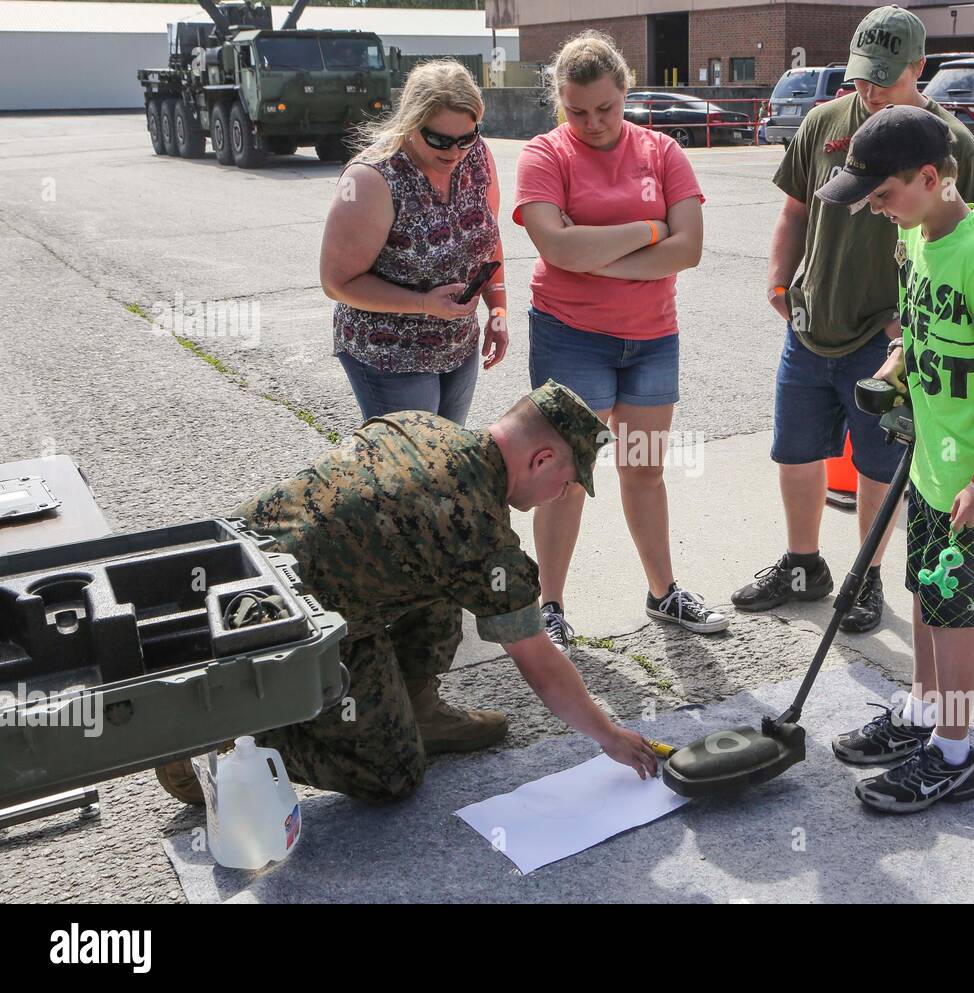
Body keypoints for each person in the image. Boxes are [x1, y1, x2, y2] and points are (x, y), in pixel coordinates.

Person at [154, 382, 660, 806]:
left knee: (441, 582)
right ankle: (217, 746)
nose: (562, 495)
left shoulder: (422, 425)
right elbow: (541, 664)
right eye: (567, 481)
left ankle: (415, 709)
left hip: (230, 574)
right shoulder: (477, 535)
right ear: (542, 458)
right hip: (273, 632)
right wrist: (609, 736)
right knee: (390, 775)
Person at [731, 5, 974, 635]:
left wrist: (914, 329)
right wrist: (778, 281)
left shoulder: (953, 146)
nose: (869, 91)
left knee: (877, 468)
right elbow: (794, 213)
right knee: (794, 455)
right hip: (812, 319)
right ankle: (802, 566)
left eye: (884, 79)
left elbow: (964, 248)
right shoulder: (823, 123)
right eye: (860, 78)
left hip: (887, 338)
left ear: (918, 67)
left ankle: (865, 577)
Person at [817, 106, 974, 812]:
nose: (877, 211)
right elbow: (921, 321)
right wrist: (900, 361)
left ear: (932, 177)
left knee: (955, 613)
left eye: (883, 196)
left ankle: (954, 755)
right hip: (932, 464)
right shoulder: (916, 235)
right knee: (925, 596)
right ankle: (922, 710)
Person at [513, 30, 727, 653]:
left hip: (651, 340)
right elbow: (554, 245)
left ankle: (663, 593)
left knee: (644, 469)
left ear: (625, 91)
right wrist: (647, 230)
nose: (593, 122)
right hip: (571, 337)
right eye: (577, 111)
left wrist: (596, 253)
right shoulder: (545, 154)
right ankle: (549, 605)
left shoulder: (662, 151)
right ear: (560, 102)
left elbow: (687, 250)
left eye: (605, 108)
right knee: (566, 477)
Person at [321, 59, 508, 426]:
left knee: (447, 460)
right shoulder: (372, 179)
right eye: (438, 139)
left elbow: (488, 239)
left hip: (457, 344)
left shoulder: (477, 156)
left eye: (466, 137)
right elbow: (336, 282)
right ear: (410, 123)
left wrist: (498, 310)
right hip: (389, 353)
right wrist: (422, 303)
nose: (454, 152)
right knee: (412, 471)